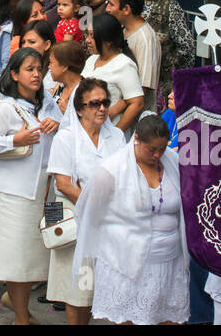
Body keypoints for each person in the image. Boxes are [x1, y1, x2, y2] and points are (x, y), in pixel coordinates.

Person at [74, 112, 189, 324]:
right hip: (128, 264)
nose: (157, 155)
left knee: (169, 318)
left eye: (162, 148)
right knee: (131, 318)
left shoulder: (172, 162)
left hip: (169, 262)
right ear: (136, 139)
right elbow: (90, 212)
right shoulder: (112, 169)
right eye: (151, 149)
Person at [0, 47, 58, 324]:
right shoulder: (6, 108)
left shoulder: (48, 106)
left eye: (39, 69)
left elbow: (68, 134)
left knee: (38, 257)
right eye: (29, 69)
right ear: (15, 74)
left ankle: (16, 302)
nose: (36, 74)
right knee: (18, 259)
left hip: (46, 190)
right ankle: (21, 317)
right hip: (13, 193)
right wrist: (13, 141)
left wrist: (58, 125)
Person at [46, 78, 125, 324]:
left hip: (108, 220)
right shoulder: (66, 138)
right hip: (76, 217)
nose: (102, 108)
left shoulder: (117, 136)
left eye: (105, 103)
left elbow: (123, 176)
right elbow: (64, 183)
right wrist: (95, 203)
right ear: (79, 109)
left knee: (95, 286)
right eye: (94, 104)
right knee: (78, 289)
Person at [83, 13, 144, 134]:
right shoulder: (91, 60)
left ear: (108, 41)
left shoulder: (124, 64)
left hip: (109, 132)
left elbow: (137, 103)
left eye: (92, 36)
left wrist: (116, 133)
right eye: (87, 35)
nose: (87, 41)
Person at [108, 0, 161, 113]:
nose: (107, 9)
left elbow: (142, 89)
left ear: (126, 9)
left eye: (111, 4)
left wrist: (112, 113)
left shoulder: (146, 39)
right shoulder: (121, 28)